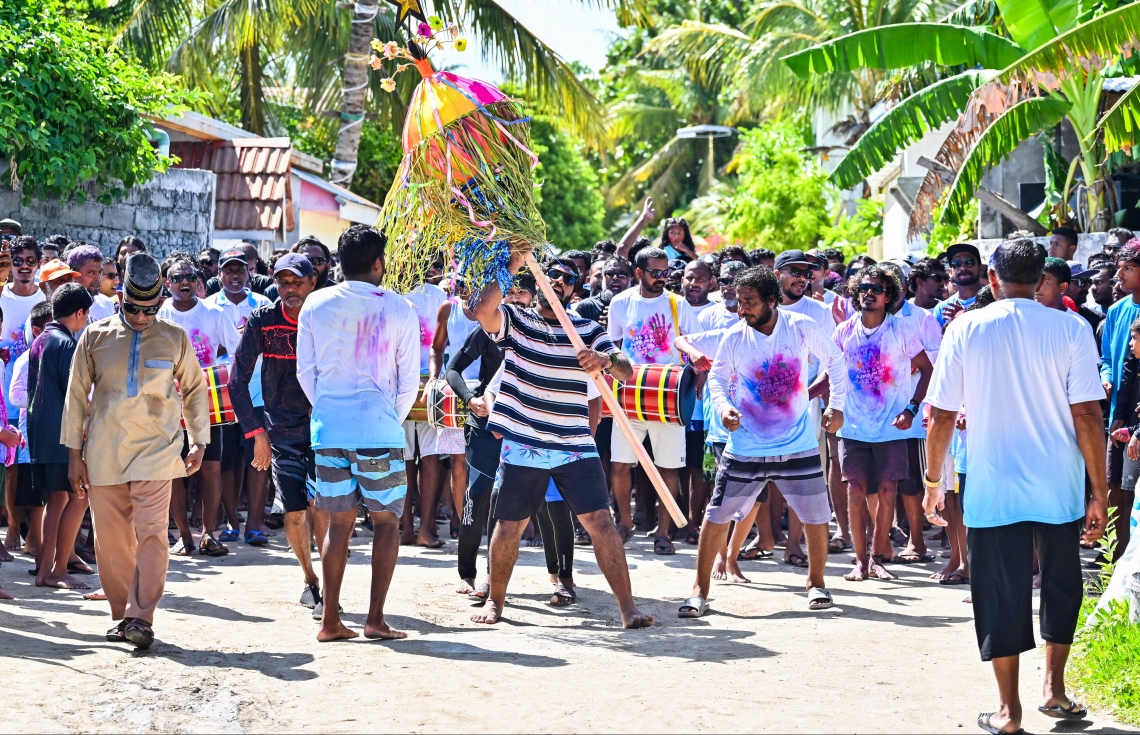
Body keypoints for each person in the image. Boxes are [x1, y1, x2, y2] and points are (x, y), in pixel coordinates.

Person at [923, 238, 1107, 735]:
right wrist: (1099, 491)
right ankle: (1054, 689)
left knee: (999, 592)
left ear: (992, 278)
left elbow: (941, 415)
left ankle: (1008, 711)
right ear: (1042, 279)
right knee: (1062, 584)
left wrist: (934, 481)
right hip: (1059, 484)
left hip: (993, 484)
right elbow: (1088, 414)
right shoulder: (1071, 327)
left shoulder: (966, 327)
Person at [469, 250, 652, 629]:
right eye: (552, 273)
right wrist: (515, 262)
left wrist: (605, 361)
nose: (558, 280)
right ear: (539, 278)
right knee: (509, 525)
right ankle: (495, 603)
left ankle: (628, 608)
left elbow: (627, 371)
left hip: (575, 444)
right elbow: (481, 310)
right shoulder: (516, 319)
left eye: (568, 278)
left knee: (601, 522)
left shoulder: (587, 329)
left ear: (574, 290)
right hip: (525, 442)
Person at [680, 266, 847, 617]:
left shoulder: (800, 327)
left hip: (797, 443)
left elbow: (835, 359)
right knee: (717, 515)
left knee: (817, 516)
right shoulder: (735, 336)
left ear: (772, 300)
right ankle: (699, 590)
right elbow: (717, 379)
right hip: (746, 446)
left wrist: (837, 405)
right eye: (739, 301)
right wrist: (723, 408)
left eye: (749, 302)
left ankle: (816, 583)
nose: (742, 309)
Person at [64, 252, 210, 649]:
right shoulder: (95, 336)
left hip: (157, 452)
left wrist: (199, 440)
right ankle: (124, 615)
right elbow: (76, 396)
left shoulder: (174, 337)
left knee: (153, 536)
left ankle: (142, 618)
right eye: (133, 308)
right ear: (120, 298)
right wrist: (74, 455)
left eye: (150, 309)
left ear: (160, 301)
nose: (142, 316)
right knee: (111, 543)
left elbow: (195, 389)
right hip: (104, 452)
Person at [296, 224, 419, 642]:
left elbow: (306, 372)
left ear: (338, 264)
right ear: (379, 263)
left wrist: (329, 409)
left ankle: (330, 621)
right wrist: (388, 419)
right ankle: (374, 620)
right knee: (386, 523)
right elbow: (409, 381)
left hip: (329, 429)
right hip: (378, 429)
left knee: (338, 525)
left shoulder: (315, 304)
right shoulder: (399, 307)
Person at [230, 254, 325, 609]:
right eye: (283, 283)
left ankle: (330, 588)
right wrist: (257, 433)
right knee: (295, 512)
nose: (290, 289)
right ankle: (310, 580)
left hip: (325, 428)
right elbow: (236, 380)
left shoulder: (326, 318)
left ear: (312, 282)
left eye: (297, 282)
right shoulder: (263, 320)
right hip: (281, 430)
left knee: (322, 506)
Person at [833, 264, 934, 582]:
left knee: (889, 490)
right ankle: (859, 561)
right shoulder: (844, 331)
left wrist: (911, 409)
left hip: (891, 426)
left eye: (876, 289)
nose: (869, 293)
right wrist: (827, 404)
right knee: (856, 491)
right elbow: (832, 371)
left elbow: (927, 370)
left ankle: (877, 559)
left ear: (888, 296)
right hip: (853, 426)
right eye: (863, 288)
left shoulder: (901, 330)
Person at [606, 246, 700, 553]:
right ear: (638, 273)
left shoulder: (678, 304)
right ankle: (624, 522)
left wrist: (696, 379)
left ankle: (663, 531)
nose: (662, 278)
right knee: (621, 465)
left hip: (667, 398)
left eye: (665, 272)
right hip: (628, 396)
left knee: (667, 468)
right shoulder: (621, 303)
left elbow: (695, 344)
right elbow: (611, 345)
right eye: (655, 273)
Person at [449, 281, 533, 598]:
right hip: (484, 425)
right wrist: (470, 398)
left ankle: (493, 577)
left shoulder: (541, 333)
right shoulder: (487, 329)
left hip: (524, 429)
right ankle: (467, 574)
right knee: (477, 494)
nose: (515, 298)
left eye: (522, 292)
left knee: (507, 500)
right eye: (510, 292)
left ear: (534, 296)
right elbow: (453, 369)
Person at [157, 254, 241, 556]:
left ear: (198, 281)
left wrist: (223, 377)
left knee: (211, 468)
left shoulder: (214, 313)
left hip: (208, 402)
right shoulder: (159, 315)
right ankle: (184, 535)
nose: (185, 282)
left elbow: (237, 350)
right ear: (167, 283)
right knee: (173, 470)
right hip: (168, 402)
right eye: (178, 278)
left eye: (190, 277)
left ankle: (208, 534)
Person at [28, 283, 92, 589]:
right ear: (79, 313)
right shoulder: (67, 344)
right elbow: (75, 395)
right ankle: (57, 570)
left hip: (40, 433)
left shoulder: (40, 339)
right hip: (61, 435)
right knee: (76, 497)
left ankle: (45, 571)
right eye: (86, 315)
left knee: (55, 501)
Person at [208, 249, 272, 542]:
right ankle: (232, 523)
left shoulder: (264, 304)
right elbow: (208, 349)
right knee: (226, 460)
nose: (234, 276)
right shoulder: (209, 307)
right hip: (221, 395)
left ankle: (255, 524)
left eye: (240, 270)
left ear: (249, 273)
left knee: (259, 458)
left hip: (258, 393)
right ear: (220, 274)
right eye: (228, 270)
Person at [1, 236, 45, 552]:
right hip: (6, 394)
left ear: (38, 264)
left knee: (35, 460)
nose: (24, 267)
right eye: (18, 261)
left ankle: (35, 530)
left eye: (31, 261)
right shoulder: (1, 298)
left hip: (38, 395)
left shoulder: (46, 299)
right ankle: (13, 524)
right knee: (11, 462)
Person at [402, 259, 448, 547]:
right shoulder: (438, 295)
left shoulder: (390, 294)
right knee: (425, 458)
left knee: (413, 459)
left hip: (411, 386)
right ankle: (421, 528)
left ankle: (413, 528)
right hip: (425, 385)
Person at [1103, 239, 1140, 559]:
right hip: (1119, 411)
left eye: (1128, 268)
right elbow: (1108, 360)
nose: (1120, 275)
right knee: (1115, 484)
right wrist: (1106, 377)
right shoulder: (1117, 311)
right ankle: (1117, 558)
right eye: (1119, 268)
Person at [5, 302, 51, 562]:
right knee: (33, 492)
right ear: (36, 331)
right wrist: (46, 399)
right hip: (31, 437)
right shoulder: (27, 359)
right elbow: (15, 395)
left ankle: (37, 538)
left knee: (48, 490)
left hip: (52, 435)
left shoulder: (58, 354)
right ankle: (31, 538)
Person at [573, 255, 633, 325]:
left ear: (631, 280)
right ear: (602, 279)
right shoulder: (587, 306)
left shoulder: (636, 305)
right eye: (610, 273)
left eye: (622, 274)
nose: (615, 278)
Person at [935, 244, 984, 327]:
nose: (963, 268)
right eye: (957, 264)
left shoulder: (993, 299)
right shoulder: (942, 309)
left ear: (981, 269)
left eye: (969, 262)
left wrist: (963, 318)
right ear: (950, 272)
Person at [64, 244, 114, 322]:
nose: (98, 278)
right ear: (74, 275)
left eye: (100, 272)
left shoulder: (108, 304)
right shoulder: (63, 308)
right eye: (91, 272)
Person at [698, 260, 746, 331]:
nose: (728, 287)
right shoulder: (707, 316)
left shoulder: (757, 317)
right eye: (724, 281)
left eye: (734, 282)